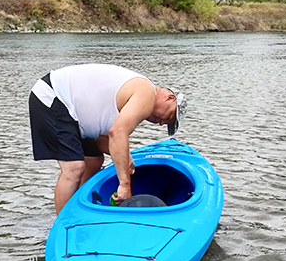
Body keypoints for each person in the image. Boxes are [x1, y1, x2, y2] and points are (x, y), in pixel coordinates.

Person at [29, 63, 186, 213]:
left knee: (94, 161)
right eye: (169, 117)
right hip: (53, 95)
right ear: (170, 98)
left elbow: (105, 139)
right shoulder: (147, 94)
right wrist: (124, 185)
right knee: (74, 168)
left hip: (74, 113)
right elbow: (117, 133)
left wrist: (125, 157)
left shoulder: (135, 98)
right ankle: (64, 223)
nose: (161, 123)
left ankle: (79, 206)